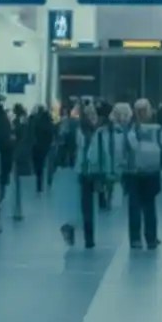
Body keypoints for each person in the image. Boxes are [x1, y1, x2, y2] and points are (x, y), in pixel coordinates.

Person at [124, 99, 162, 250]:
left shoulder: (131, 129)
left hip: (134, 172)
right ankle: (151, 238)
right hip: (152, 172)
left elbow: (128, 148)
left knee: (134, 207)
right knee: (150, 206)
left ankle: (135, 239)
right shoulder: (158, 129)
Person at [63, 105, 111, 249]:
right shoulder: (99, 132)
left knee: (83, 205)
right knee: (87, 206)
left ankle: (82, 235)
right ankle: (88, 238)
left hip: (83, 170)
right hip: (91, 171)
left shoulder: (80, 131)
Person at [29, 105, 55, 193]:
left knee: (39, 166)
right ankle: (48, 181)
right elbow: (52, 134)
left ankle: (39, 184)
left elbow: (32, 134)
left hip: (37, 147)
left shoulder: (36, 122)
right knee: (48, 165)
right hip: (47, 147)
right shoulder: (49, 123)